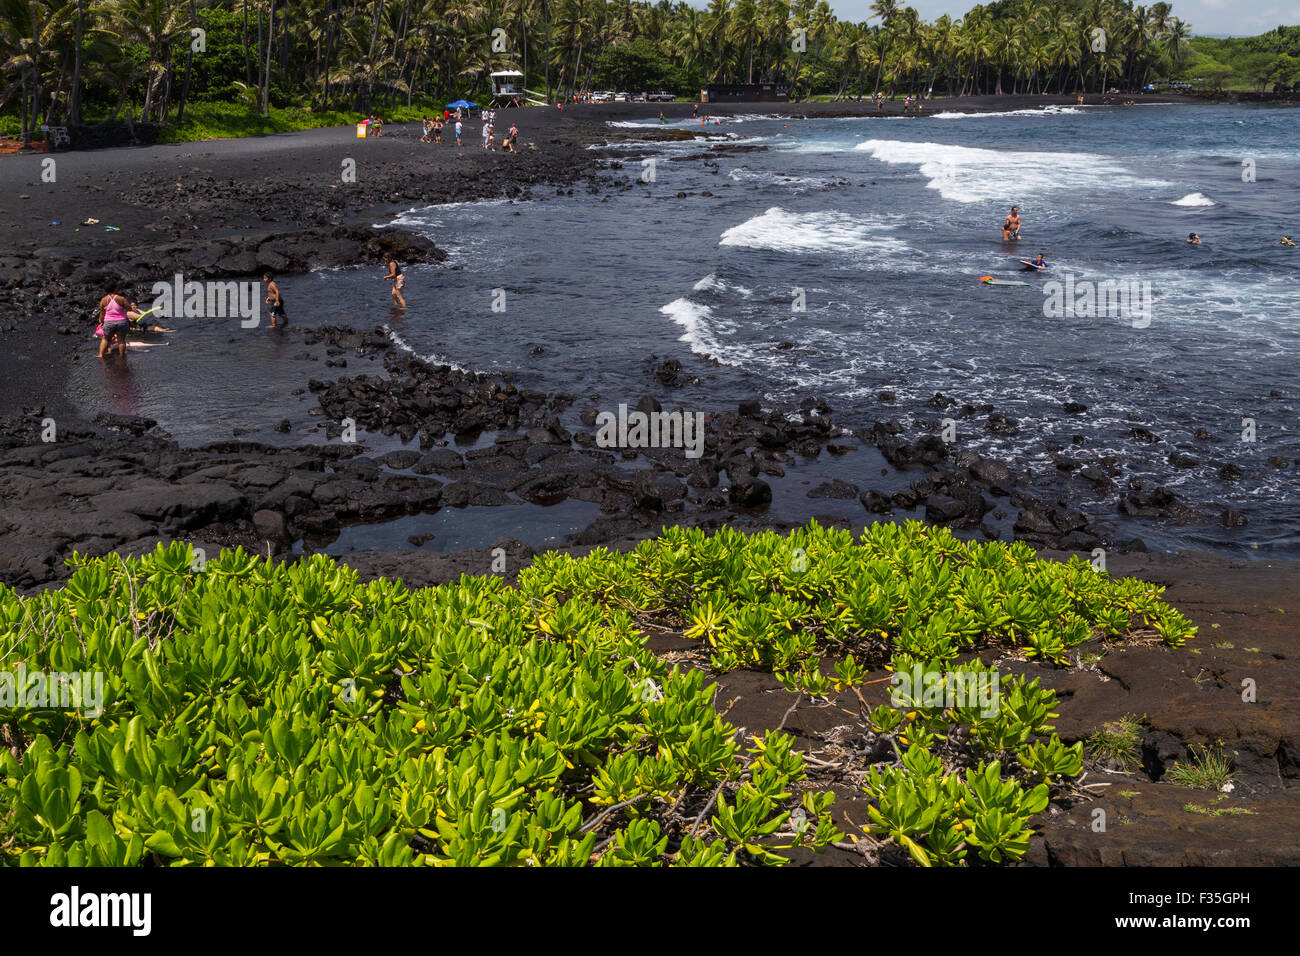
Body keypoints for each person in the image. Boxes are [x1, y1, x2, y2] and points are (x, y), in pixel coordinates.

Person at [97, 288, 134, 359]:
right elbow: (129, 309)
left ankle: (101, 355)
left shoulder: (103, 300)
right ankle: (122, 356)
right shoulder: (121, 298)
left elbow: (102, 313)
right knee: (121, 339)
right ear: (116, 289)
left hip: (109, 322)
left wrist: (101, 322)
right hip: (122, 321)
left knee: (105, 339)